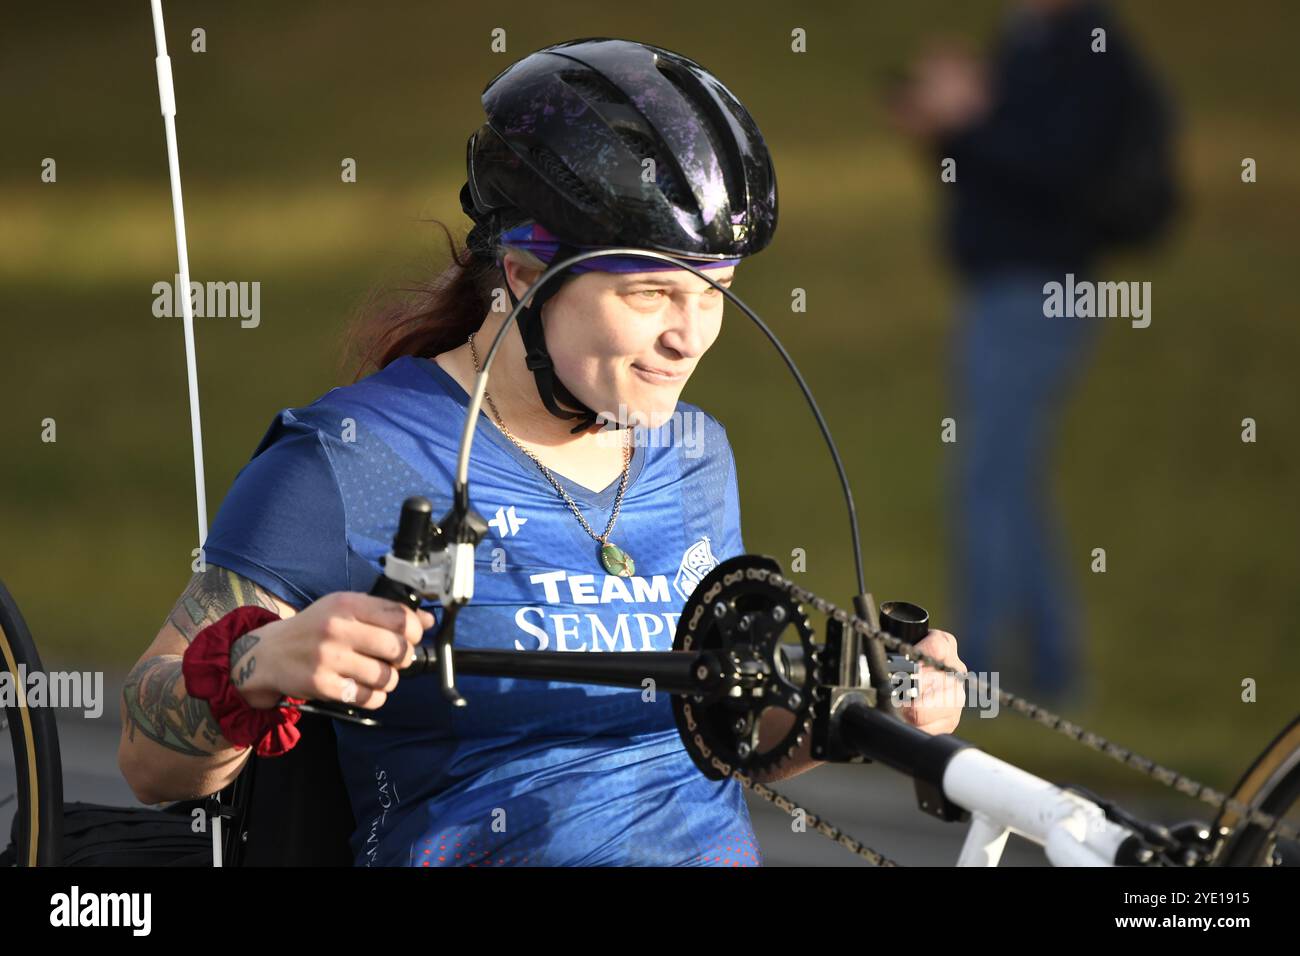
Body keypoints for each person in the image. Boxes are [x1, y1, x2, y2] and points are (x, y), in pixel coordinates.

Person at [118, 37, 965, 867]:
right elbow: (147, 762)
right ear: (523, 276)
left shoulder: (696, 452)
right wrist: (258, 663)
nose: (690, 336)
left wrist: (867, 705)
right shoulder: (351, 456)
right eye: (650, 293)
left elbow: (721, 745)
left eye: (716, 293)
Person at [890, 0, 1175, 704]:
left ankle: (978, 673)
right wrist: (942, 122)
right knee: (1007, 479)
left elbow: (1059, 169)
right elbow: (992, 171)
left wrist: (970, 117)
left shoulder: (1087, 44)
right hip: (1001, 290)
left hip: (1042, 289)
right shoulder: (1030, 38)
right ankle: (1050, 669)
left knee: (989, 479)